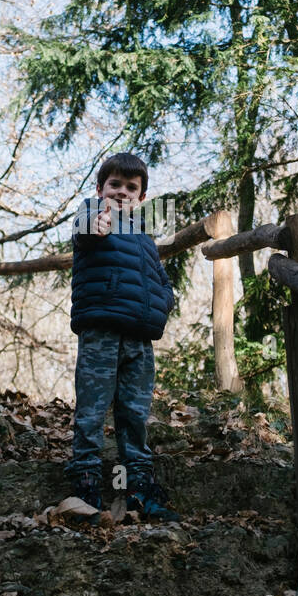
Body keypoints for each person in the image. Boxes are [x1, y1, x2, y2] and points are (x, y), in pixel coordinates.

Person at [67, 152, 180, 523]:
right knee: (92, 410)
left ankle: (138, 489)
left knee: (134, 414)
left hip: (139, 339)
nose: (121, 193)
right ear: (100, 188)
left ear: (141, 198)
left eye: (131, 188)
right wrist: (94, 225)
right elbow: (85, 231)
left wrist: (164, 301)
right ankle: (85, 487)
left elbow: (161, 283)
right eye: (114, 185)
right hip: (101, 331)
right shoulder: (91, 214)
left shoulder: (145, 239)